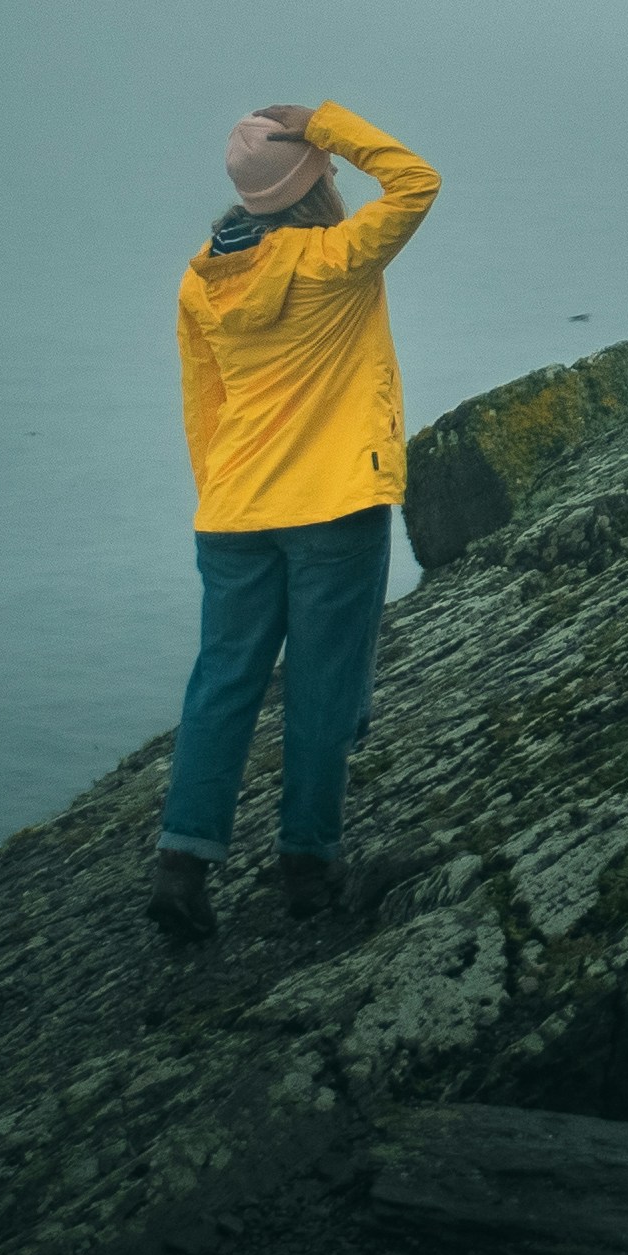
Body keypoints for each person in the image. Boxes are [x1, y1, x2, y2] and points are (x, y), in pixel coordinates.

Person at [150, 99, 438, 941]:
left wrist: (222, 497)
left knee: (223, 681)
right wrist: (329, 122)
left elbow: (203, 404)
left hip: (235, 509)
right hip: (334, 505)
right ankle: (306, 868)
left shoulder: (202, 276)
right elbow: (417, 182)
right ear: (314, 182)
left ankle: (182, 866)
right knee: (322, 687)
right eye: (327, 167)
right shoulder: (335, 259)